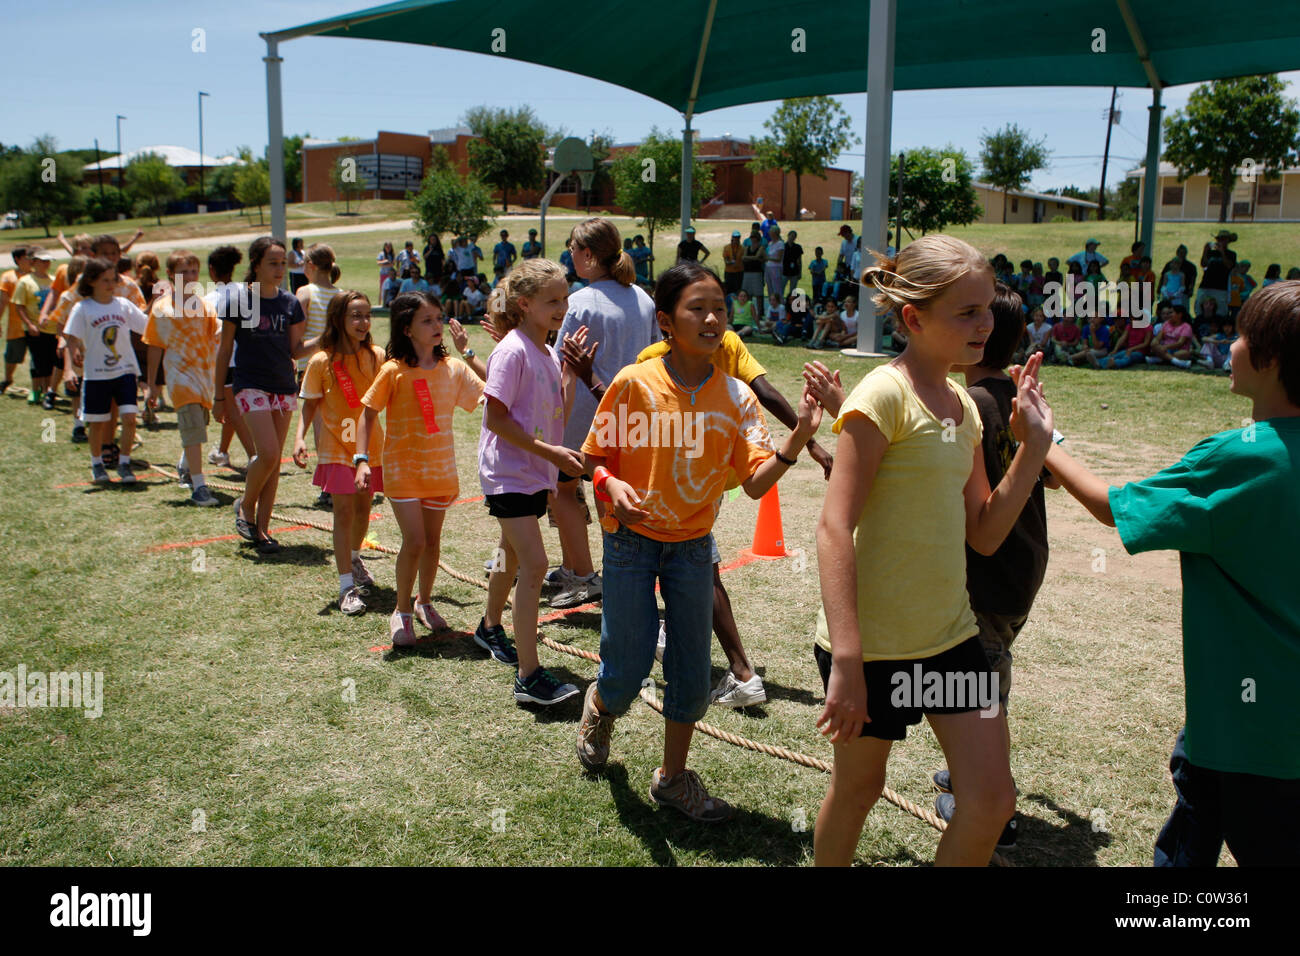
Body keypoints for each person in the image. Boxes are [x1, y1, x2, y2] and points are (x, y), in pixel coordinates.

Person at [810, 235, 1053, 867]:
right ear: (914, 319)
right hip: (873, 649)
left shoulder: (967, 407)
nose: (985, 324)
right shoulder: (881, 397)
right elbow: (834, 527)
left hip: (950, 638)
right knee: (859, 790)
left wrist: (1033, 448)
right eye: (966, 312)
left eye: (987, 310)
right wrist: (848, 659)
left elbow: (985, 532)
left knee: (992, 801)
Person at [1045, 281, 1300, 865]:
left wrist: (1043, 438)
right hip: (1254, 719)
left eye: (1240, 336)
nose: (1228, 345)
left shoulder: (1243, 456)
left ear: (1273, 359)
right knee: (1193, 821)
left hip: (1246, 732)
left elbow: (1116, 507)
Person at [575, 261, 821, 821]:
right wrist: (609, 483)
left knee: (690, 672)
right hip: (630, 543)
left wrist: (799, 437)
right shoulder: (633, 384)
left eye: (720, 308)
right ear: (665, 319)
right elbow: (593, 458)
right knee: (627, 666)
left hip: (693, 548)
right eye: (697, 308)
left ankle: (673, 778)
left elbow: (755, 484)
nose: (712, 319)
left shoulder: (737, 398)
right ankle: (601, 707)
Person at [471, 258, 583, 706]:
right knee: (535, 566)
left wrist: (571, 375)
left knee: (510, 555)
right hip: (509, 473)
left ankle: (488, 626)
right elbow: (494, 417)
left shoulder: (549, 351)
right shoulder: (512, 350)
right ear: (524, 304)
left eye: (564, 298)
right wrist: (548, 454)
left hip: (533, 470)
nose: (562, 306)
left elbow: (558, 414)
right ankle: (529, 675)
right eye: (552, 300)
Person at [356, 292, 486, 645]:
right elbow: (367, 413)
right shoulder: (393, 371)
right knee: (413, 542)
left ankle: (424, 601)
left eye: (439, 317)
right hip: (403, 472)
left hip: (440, 472)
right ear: (407, 328)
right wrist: (362, 459)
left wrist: (468, 353)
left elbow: (492, 393)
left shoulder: (453, 369)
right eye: (427, 320)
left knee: (431, 542)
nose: (437, 325)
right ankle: (401, 611)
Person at [551, 219, 659, 609]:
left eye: (574, 248)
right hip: (628, 420)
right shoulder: (643, 300)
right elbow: (654, 359)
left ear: (589, 255)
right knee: (608, 494)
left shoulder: (580, 302)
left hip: (582, 420)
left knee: (563, 490)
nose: (570, 254)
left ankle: (583, 575)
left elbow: (562, 365)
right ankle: (616, 574)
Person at [214, 237, 315, 555]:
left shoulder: (290, 303)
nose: (279, 268)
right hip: (250, 384)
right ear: (255, 265)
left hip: (284, 386)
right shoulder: (238, 301)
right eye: (272, 262)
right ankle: (245, 505)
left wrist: (327, 339)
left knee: (272, 464)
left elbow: (296, 350)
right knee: (269, 454)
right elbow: (225, 350)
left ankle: (263, 530)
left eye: (283, 262)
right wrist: (219, 396)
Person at [294, 291, 388, 614]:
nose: (363, 322)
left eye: (366, 316)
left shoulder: (376, 356)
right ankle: (346, 584)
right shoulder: (322, 361)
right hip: (336, 448)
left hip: (371, 447)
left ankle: (354, 558)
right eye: (355, 316)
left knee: (364, 511)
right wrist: (299, 438)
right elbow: (309, 405)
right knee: (343, 512)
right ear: (339, 319)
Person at [62, 258, 150, 484]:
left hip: (125, 371)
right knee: (98, 423)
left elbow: (147, 326)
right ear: (90, 281)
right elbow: (70, 338)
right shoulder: (83, 308)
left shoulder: (123, 304)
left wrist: (163, 308)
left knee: (130, 418)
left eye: (114, 280)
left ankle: (124, 463)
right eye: (105, 280)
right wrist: (69, 369)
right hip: (97, 374)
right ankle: (97, 464)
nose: (111, 284)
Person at [143, 250, 221, 506]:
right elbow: (154, 347)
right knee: (194, 430)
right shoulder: (163, 308)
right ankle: (199, 486)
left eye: (193, 271)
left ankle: (185, 464)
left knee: (198, 427)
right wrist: (152, 385)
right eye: (183, 272)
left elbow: (216, 340)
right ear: (170, 275)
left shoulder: (205, 306)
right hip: (180, 380)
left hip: (203, 380)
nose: (189, 277)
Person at [203, 246, 255, 470]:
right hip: (248, 359)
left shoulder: (207, 299)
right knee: (233, 410)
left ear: (212, 270)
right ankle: (222, 452)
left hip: (225, 362)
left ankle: (255, 457)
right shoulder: (247, 291)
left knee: (234, 411)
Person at [10, 247, 55, 406]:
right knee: (40, 361)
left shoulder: (53, 280)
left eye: (48, 261)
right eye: (42, 261)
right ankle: (41, 391)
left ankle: (48, 391)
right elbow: (19, 306)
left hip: (52, 329)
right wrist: (29, 324)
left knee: (51, 361)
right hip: (35, 330)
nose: (46, 264)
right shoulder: (25, 282)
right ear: (33, 262)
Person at [1197, 230, 1236, 317]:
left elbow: (1229, 266)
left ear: (1228, 241)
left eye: (1223, 239)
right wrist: (1205, 251)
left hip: (1220, 287)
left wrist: (1222, 252)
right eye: (1219, 239)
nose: (1220, 241)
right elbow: (1203, 264)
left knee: (1220, 311)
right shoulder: (1211, 253)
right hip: (1206, 284)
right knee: (1200, 307)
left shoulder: (1231, 254)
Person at [740, 224, 766, 320]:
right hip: (747, 272)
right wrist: (752, 258)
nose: (752, 239)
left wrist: (749, 258)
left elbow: (757, 257)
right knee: (748, 294)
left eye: (754, 237)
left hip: (757, 272)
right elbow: (744, 258)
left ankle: (759, 313)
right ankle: (749, 312)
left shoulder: (761, 247)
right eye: (751, 237)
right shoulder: (747, 247)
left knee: (758, 294)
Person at [763, 224, 786, 306]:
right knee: (769, 287)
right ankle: (772, 305)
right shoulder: (770, 243)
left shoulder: (780, 244)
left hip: (776, 268)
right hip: (768, 267)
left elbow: (779, 259)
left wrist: (768, 258)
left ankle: (780, 305)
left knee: (777, 288)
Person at [721, 231, 744, 299]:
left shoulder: (742, 248)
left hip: (739, 272)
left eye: (738, 238)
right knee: (728, 290)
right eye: (735, 237)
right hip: (729, 272)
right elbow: (726, 260)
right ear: (732, 238)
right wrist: (729, 262)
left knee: (738, 290)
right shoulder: (727, 247)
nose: (736, 239)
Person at [782, 228, 803, 300]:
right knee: (781, 288)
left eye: (794, 237)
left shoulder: (798, 247)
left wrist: (800, 272)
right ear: (788, 236)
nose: (792, 238)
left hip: (794, 271)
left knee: (793, 290)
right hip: (784, 271)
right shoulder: (783, 246)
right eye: (791, 236)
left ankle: (791, 304)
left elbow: (799, 261)